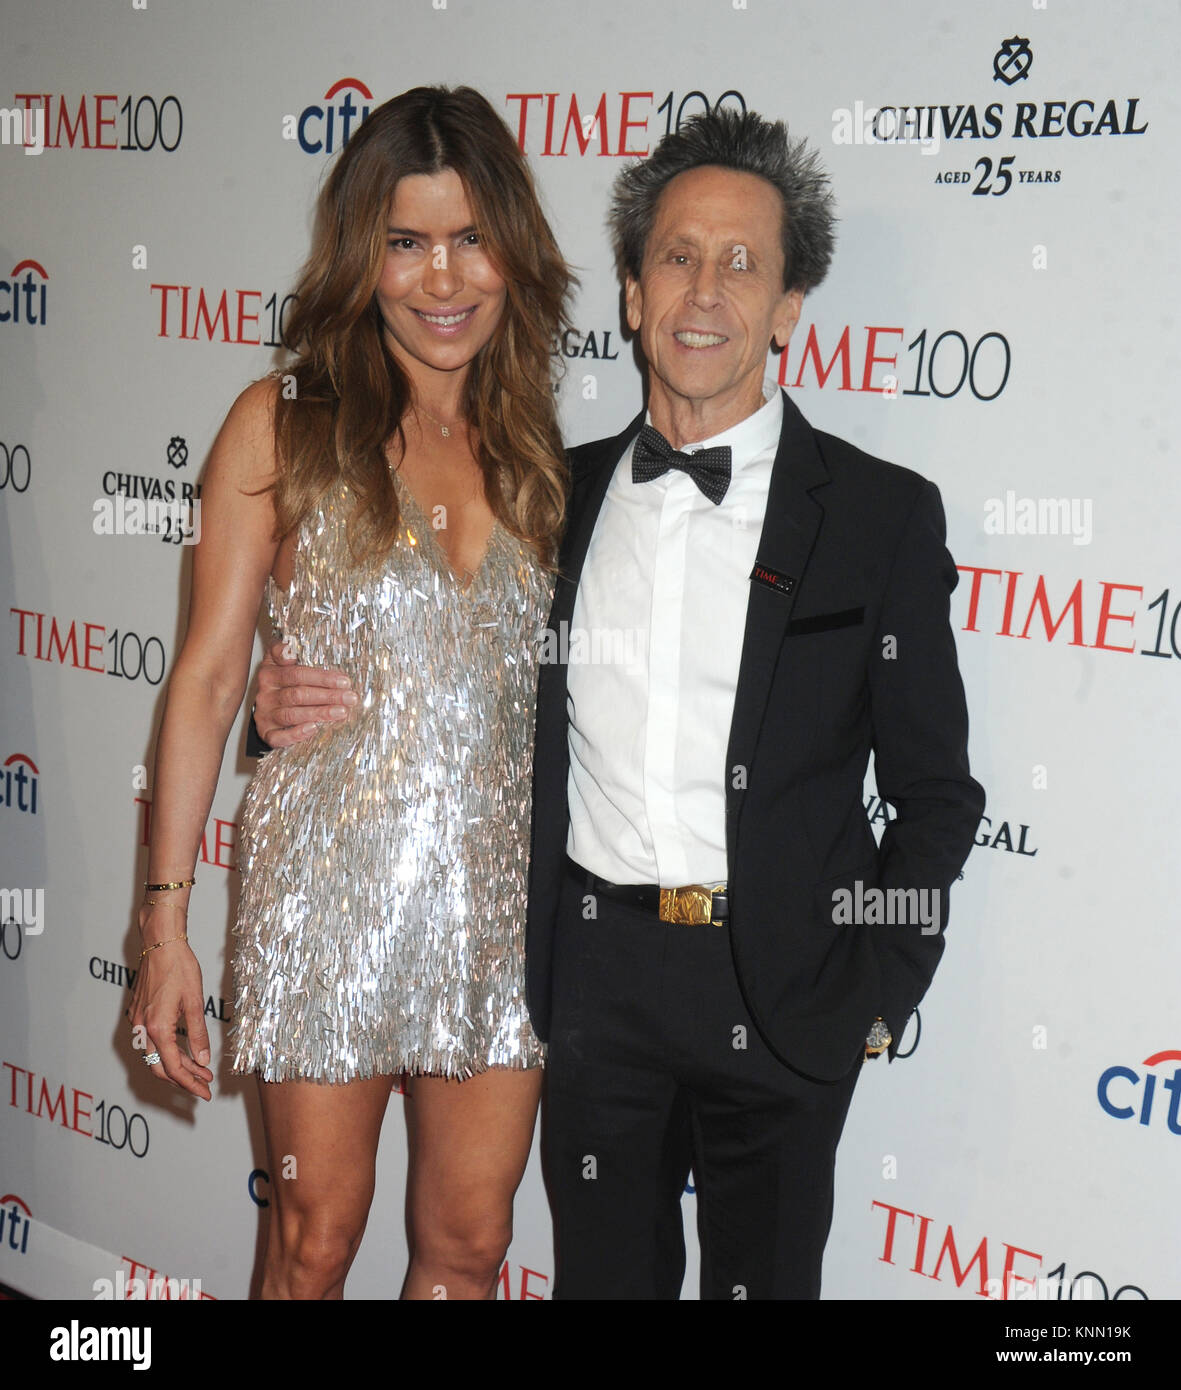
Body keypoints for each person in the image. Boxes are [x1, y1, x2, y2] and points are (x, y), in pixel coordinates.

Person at [255, 108, 985, 1301]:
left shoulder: (877, 516)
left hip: (787, 990)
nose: (706, 291)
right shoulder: (549, 489)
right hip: (593, 994)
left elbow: (936, 796)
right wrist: (273, 705)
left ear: (789, 306)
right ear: (634, 296)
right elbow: (438, 667)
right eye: (677, 259)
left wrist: (879, 982)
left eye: (742, 263)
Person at [126, 85, 572, 1300]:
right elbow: (212, 677)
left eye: (472, 238)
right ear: (360, 256)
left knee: (469, 1249)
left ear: (512, 252)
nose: (443, 278)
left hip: (492, 913)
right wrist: (163, 926)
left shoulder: (537, 445)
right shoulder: (282, 421)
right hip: (326, 898)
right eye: (406, 241)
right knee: (314, 1234)